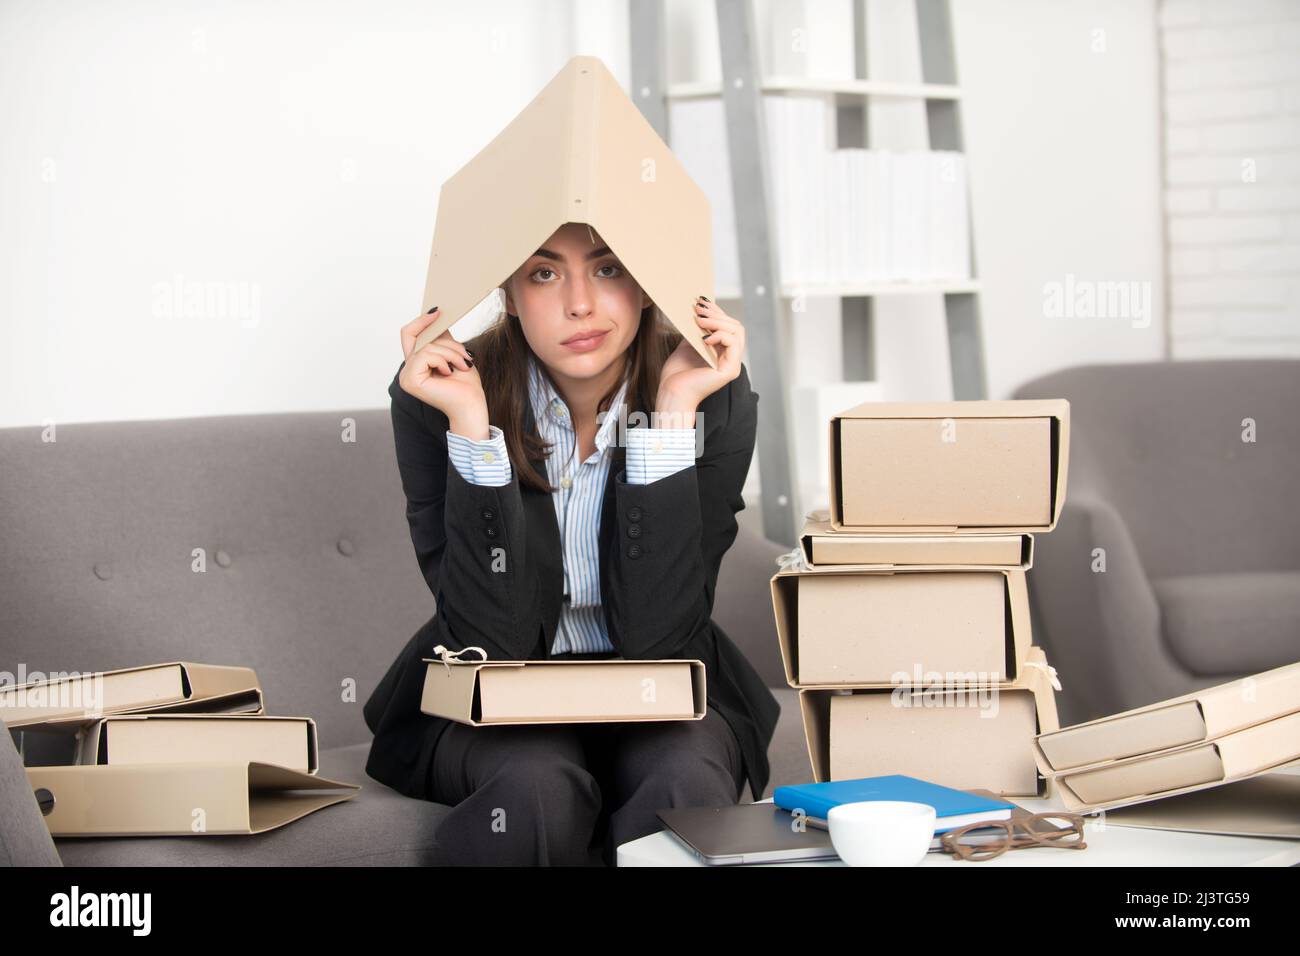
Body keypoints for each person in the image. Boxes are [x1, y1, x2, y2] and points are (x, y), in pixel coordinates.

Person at [362, 220, 780, 865]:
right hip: (496, 693)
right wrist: (473, 432)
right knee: (535, 786)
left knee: (685, 781)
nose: (579, 304)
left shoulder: (712, 392)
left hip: (660, 687)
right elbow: (490, 641)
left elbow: (661, 638)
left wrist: (671, 415)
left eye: (609, 269)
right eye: (544, 272)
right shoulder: (436, 395)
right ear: (508, 292)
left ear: (647, 285)